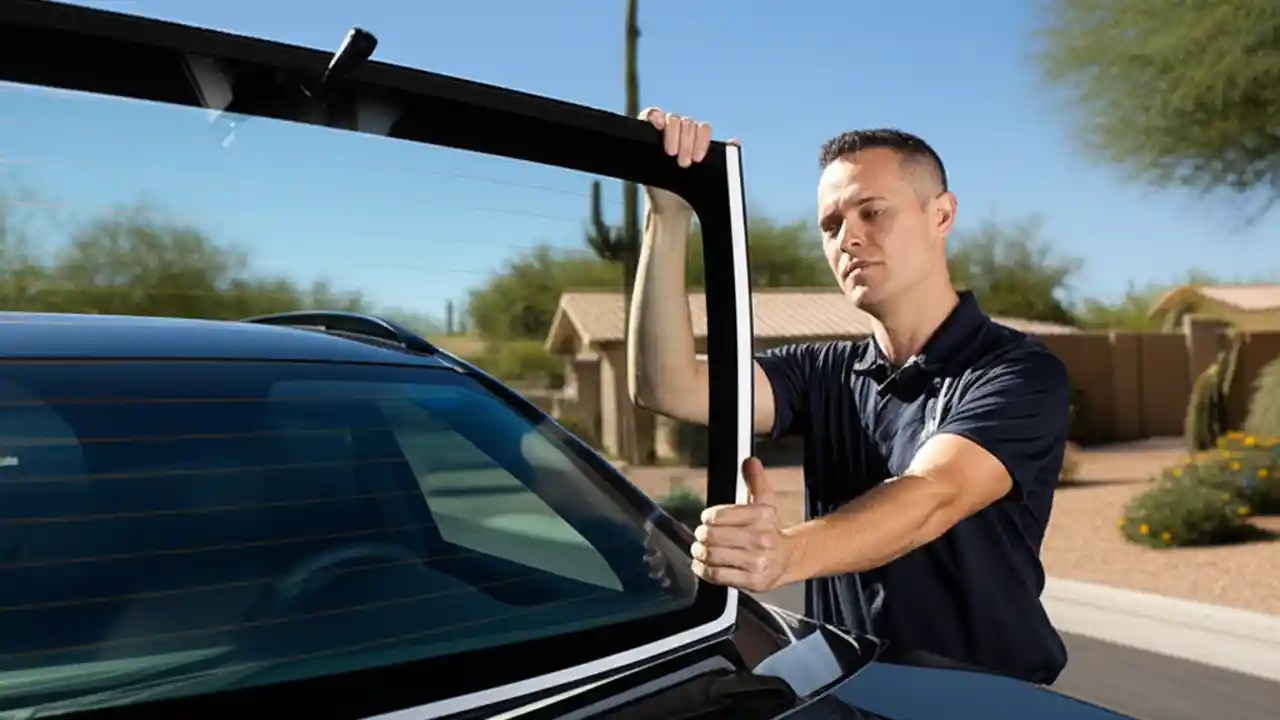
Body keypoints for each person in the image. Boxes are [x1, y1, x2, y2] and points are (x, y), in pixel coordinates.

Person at [627, 107, 1073, 686]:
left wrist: (784, 553)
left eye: (872, 212)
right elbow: (669, 386)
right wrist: (668, 215)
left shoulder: (1017, 371)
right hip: (847, 686)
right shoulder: (825, 370)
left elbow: (932, 495)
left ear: (941, 215)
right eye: (831, 224)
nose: (849, 237)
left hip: (985, 694)